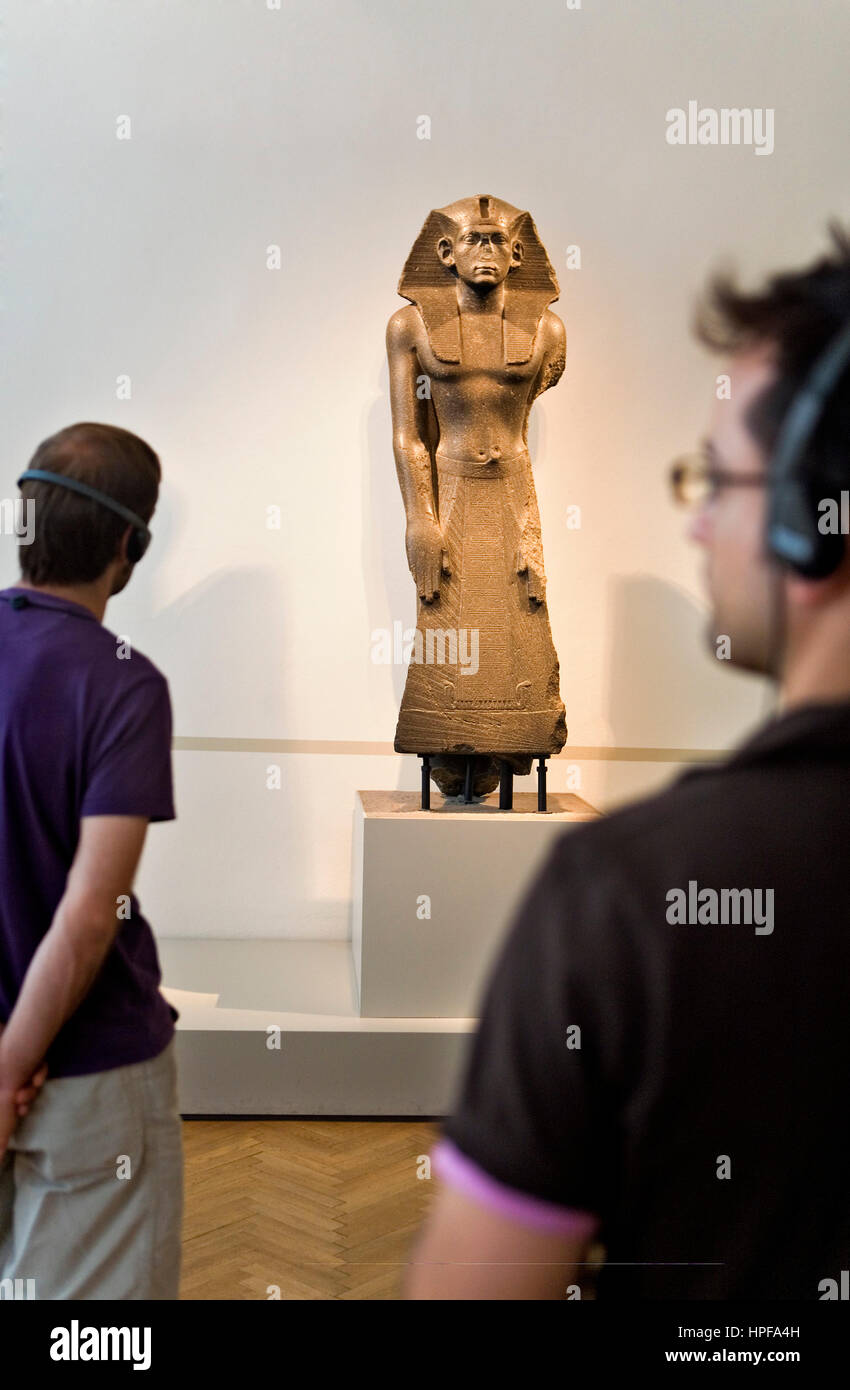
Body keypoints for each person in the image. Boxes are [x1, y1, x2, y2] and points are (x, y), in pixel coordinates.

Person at [406, 225, 850, 1300]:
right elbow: (407, 437)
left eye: (720, 479)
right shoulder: (416, 325)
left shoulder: (630, 895)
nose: (696, 527)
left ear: (804, 520)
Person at [0, 422, 182, 1300]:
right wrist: (9, 1067)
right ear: (126, 545)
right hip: (85, 1074)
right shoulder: (123, 684)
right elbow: (87, 913)